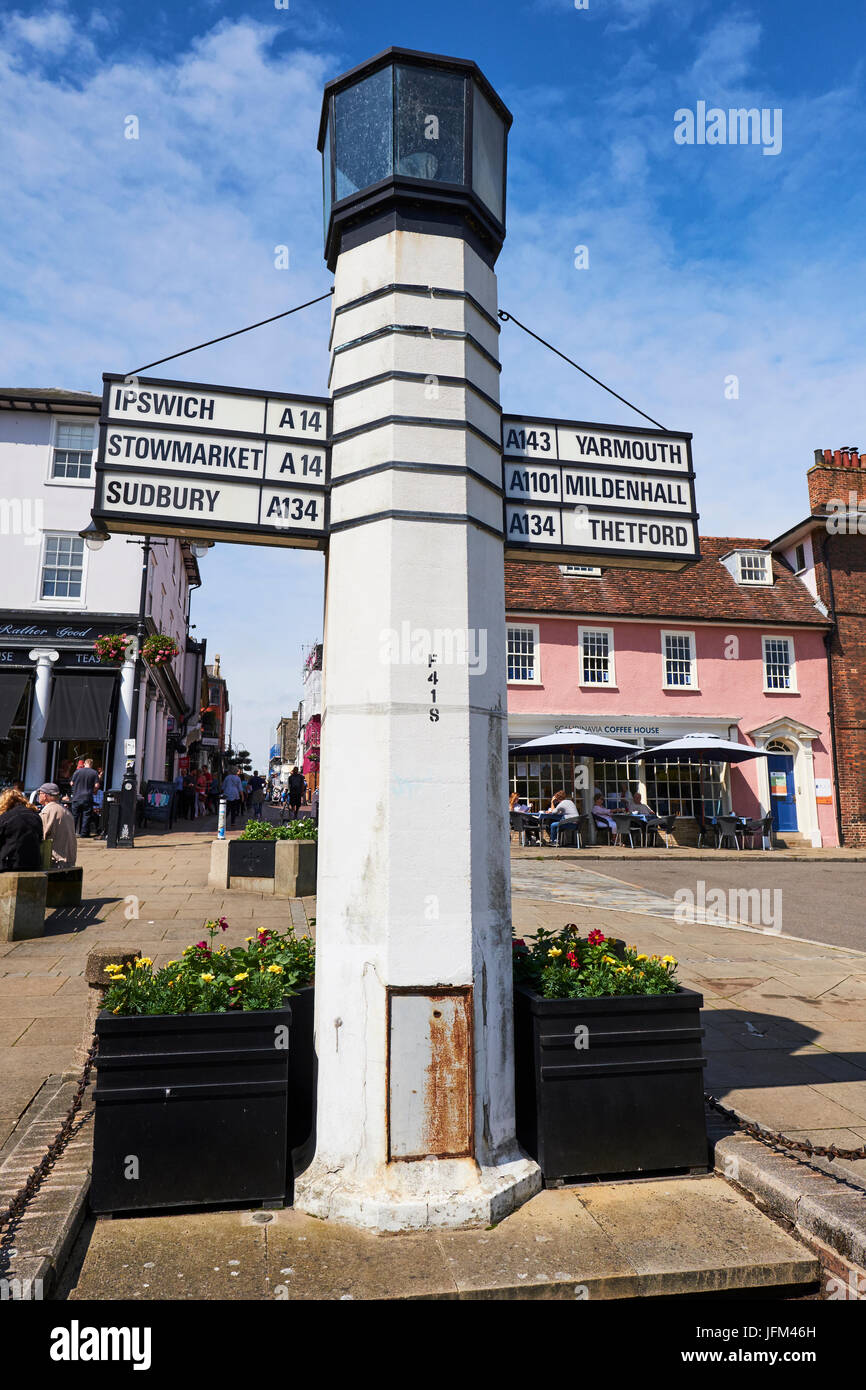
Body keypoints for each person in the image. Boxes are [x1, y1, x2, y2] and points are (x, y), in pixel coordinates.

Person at [0, 788, 44, 871]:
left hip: (9, 864)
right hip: (34, 864)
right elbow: (40, 838)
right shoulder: (35, 816)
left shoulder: (5, 817)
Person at [37, 783, 77, 868]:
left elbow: (42, 836)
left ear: (45, 795)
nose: (38, 796)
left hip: (55, 861)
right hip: (69, 859)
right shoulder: (66, 811)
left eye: (39, 793)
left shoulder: (47, 812)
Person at [70, 758, 100, 838]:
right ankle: (84, 834)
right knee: (86, 816)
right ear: (91, 764)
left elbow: (71, 783)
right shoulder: (94, 773)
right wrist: (94, 791)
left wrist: (76, 788)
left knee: (74, 816)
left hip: (76, 797)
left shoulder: (77, 772)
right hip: (87, 797)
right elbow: (97, 785)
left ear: (84, 764)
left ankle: (71, 833)